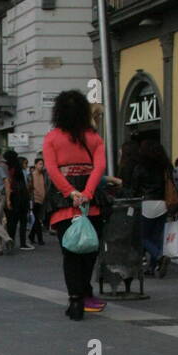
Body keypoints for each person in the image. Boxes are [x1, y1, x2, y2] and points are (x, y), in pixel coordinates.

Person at [42, 90, 106, 320]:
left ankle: (75, 299)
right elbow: (99, 167)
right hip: (92, 203)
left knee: (69, 252)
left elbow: (51, 170)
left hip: (63, 203)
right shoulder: (94, 138)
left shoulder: (52, 138)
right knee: (89, 249)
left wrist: (71, 193)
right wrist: (87, 193)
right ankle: (84, 291)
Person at [130, 141, 172, 276]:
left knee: (141, 237)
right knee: (156, 237)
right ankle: (152, 267)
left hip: (146, 203)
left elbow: (134, 188)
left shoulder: (140, 167)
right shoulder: (164, 166)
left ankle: (159, 256)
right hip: (163, 203)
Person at [3, 149, 33, 250]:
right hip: (22, 198)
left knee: (12, 222)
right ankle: (23, 243)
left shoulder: (7, 169)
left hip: (13, 197)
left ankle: (11, 241)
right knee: (23, 222)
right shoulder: (20, 170)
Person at [29, 155, 47, 244]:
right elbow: (30, 188)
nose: (42, 166)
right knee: (37, 219)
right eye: (40, 164)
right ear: (35, 165)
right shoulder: (32, 175)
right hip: (35, 200)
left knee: (38, 219)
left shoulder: (43, 174)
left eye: (42, 164)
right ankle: (40, 239)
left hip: (42, 200)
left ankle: (31, 236)